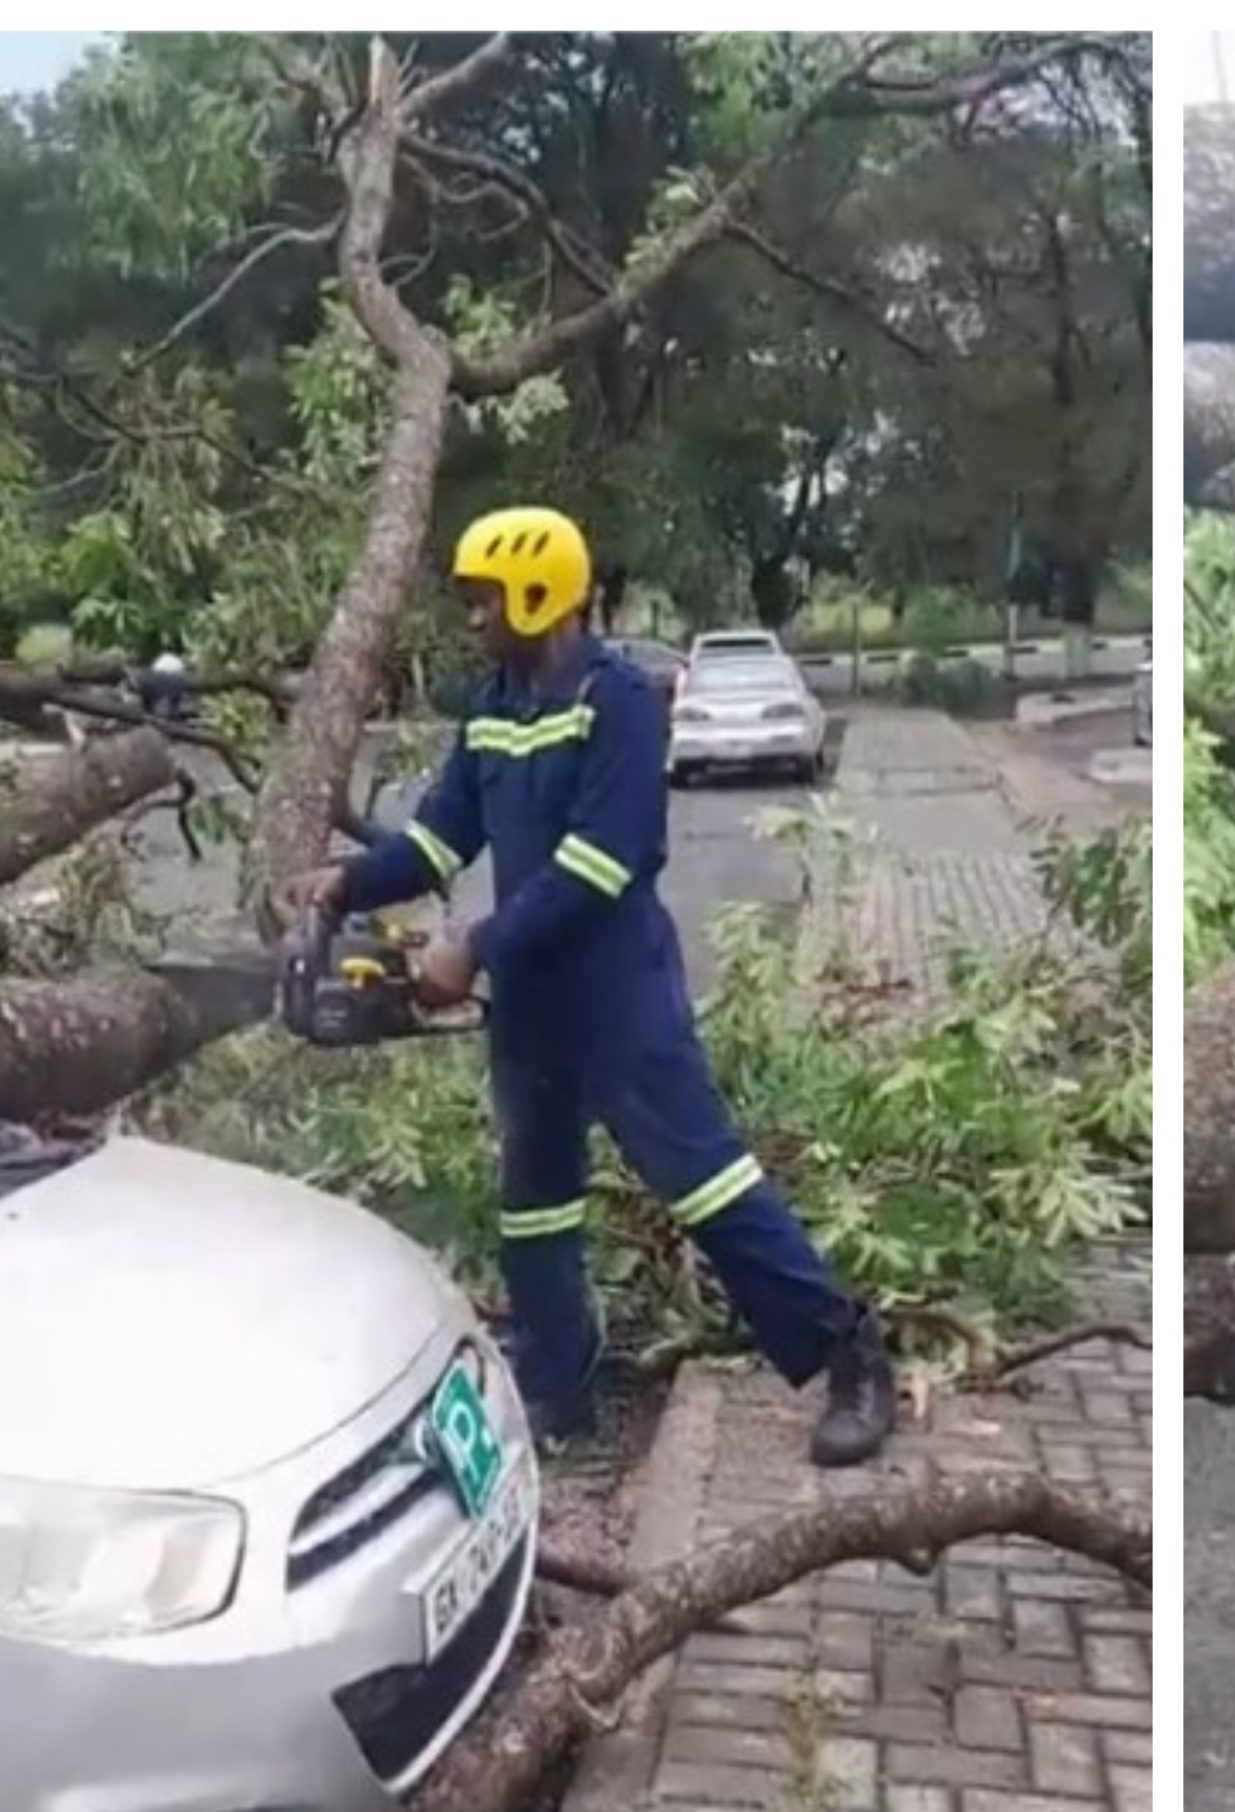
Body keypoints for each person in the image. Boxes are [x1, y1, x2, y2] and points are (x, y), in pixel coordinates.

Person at [303, 503, 897, 1468]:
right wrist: (350, 879)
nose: (473, 619)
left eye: (484, 600)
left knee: (706, 1187)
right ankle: (559, 1387)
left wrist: (476, 947)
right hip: (531, 1008)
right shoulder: (494, 705)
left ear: (539, 592)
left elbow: (602, 862)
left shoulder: (615, 701)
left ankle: (851, 1355)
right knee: (535, 1200)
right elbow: (443, 834)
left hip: (620, 1001)